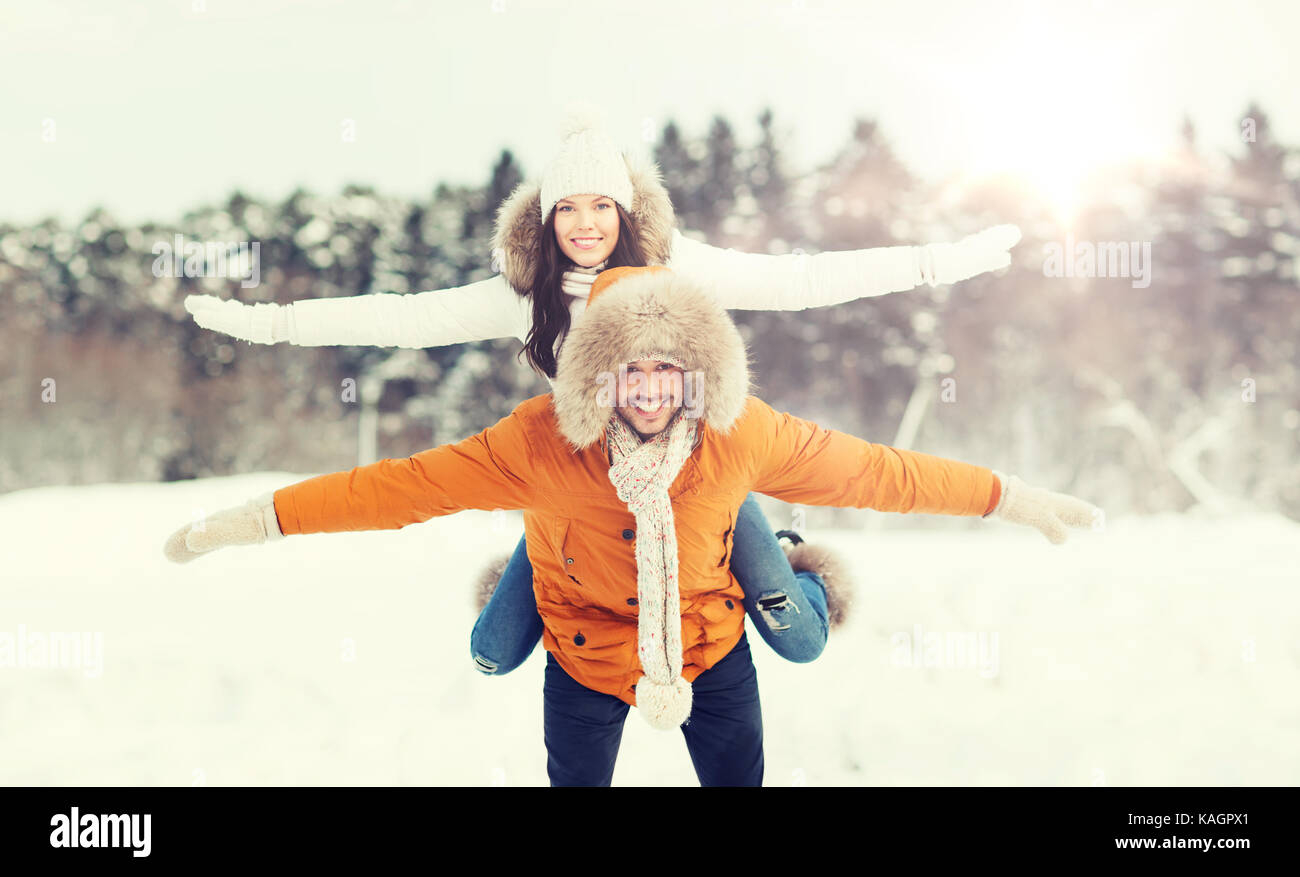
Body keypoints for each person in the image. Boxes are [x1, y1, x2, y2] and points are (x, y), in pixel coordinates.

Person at [164, 265, 1101, 787]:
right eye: (630, 372)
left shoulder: (741, 434)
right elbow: (398, 488)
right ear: (597, 377)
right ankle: (533, 562)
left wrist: (1011, 498)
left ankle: (782, 563)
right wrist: (254, 518)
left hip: (708, 637)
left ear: (695, 374)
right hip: (582, 647)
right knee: (500, 663)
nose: (649, 390)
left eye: (667, 370)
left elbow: (879, 470)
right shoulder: (538, 443)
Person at [181, 108, 1025, 678]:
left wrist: (937, 262)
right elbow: (400, 316)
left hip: (694, 485)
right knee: (492, 650)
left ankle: (779, 545)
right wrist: (273, 325)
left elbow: (804, 281)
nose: (584, 224)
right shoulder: (527, 294)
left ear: (626, 210)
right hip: (575, 493)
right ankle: (554, 568)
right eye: (567, 210)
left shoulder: (679, 267)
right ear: (546, 220)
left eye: (601, 206)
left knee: (801, 641)